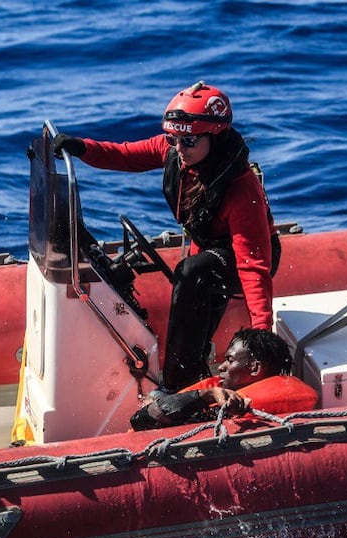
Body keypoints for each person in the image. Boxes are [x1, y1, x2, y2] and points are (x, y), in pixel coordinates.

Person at [52, 81, 280, 392]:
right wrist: (80, 148)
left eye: (187, 141)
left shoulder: (241, 190)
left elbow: (254, 265)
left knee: (192, 273)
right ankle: (196, 368)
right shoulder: (175, 151)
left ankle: (177, 384)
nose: (178, 148)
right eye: (173, 139)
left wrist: (262, 332)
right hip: (208, 248)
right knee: (195, 277)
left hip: (241, 259)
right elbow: (125, 155)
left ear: (214, 137)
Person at [130, 328, 316, 430]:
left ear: (255, 368)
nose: (220, 367)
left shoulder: (223, 411)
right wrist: (210, 394)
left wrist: (206, 396)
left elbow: (141, 420)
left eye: (230, 360)